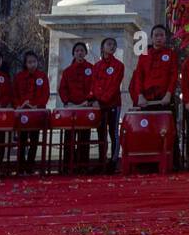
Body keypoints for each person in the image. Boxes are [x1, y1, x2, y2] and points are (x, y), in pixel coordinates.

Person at [58, 41, 99, 171]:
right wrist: (67, 102)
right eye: (77, 51)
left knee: (84, 137)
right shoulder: (67, 71)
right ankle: (67, 165)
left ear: (85, 53)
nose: (79, 53)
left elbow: (95, 86)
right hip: (71, 109)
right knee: (69, 138)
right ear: (73, 54)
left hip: (86, 108)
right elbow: (62, 89)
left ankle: (83, 165)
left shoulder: (92, 69)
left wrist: (89, 100)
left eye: (82, 50)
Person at [12, 49, 50, 174]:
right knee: (22, 141)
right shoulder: (19, 77)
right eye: (29, 62)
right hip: (22, 113)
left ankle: (30, 165)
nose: (32, 64)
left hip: (36, 113)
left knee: (34, 141)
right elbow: (15, 94)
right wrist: (19, 105)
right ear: (25, 63)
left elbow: (45, 94)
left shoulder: (42, 76)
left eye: (34, 61)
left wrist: (38, 106)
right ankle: (20, 166)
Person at [92, 37, 125, 172]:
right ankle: (101, 160)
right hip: (100, 105)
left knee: (113, 132)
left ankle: (114, 160)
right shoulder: (97, 66)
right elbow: (94, 84)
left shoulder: (118, 65)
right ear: (102, 47)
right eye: (109, 44)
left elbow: (114, 85)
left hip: (113, 104)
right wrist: (94, 99)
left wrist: (102, 99)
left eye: (114, 45)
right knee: (101, 133)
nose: (112, 47)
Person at [129, 26, 179, 110]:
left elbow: (173, 76)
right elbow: (138, 76)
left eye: (161, 35)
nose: (159, 38)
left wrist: (168, 94)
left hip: (165, 99)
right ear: (151, 38)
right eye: (156, 35)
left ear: (165, 38)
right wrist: (140, 95)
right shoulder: (144, 55)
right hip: (146, 100)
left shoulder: (171, 54)